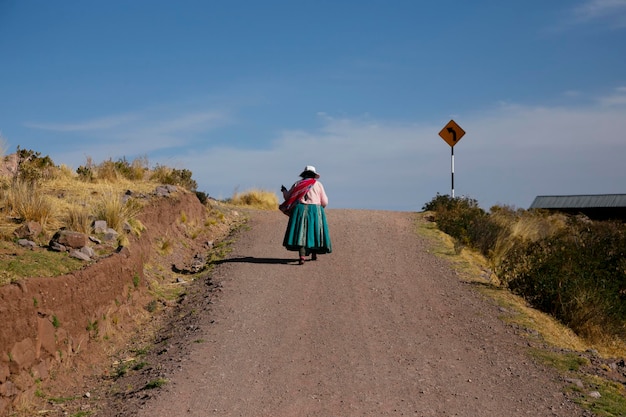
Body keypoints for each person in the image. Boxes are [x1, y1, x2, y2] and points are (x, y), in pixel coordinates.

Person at [281, 165, 332, 265]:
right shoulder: (318, 185)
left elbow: (288, 197)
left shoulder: (297, 184)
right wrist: (319, 208)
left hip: (300, 209)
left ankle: (302, 256)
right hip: (315, 209)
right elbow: (325, 201)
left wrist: (284, 190)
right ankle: (314, 254)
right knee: (314, 231)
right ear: (313, 175)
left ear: (304, 174)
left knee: (301, 232)